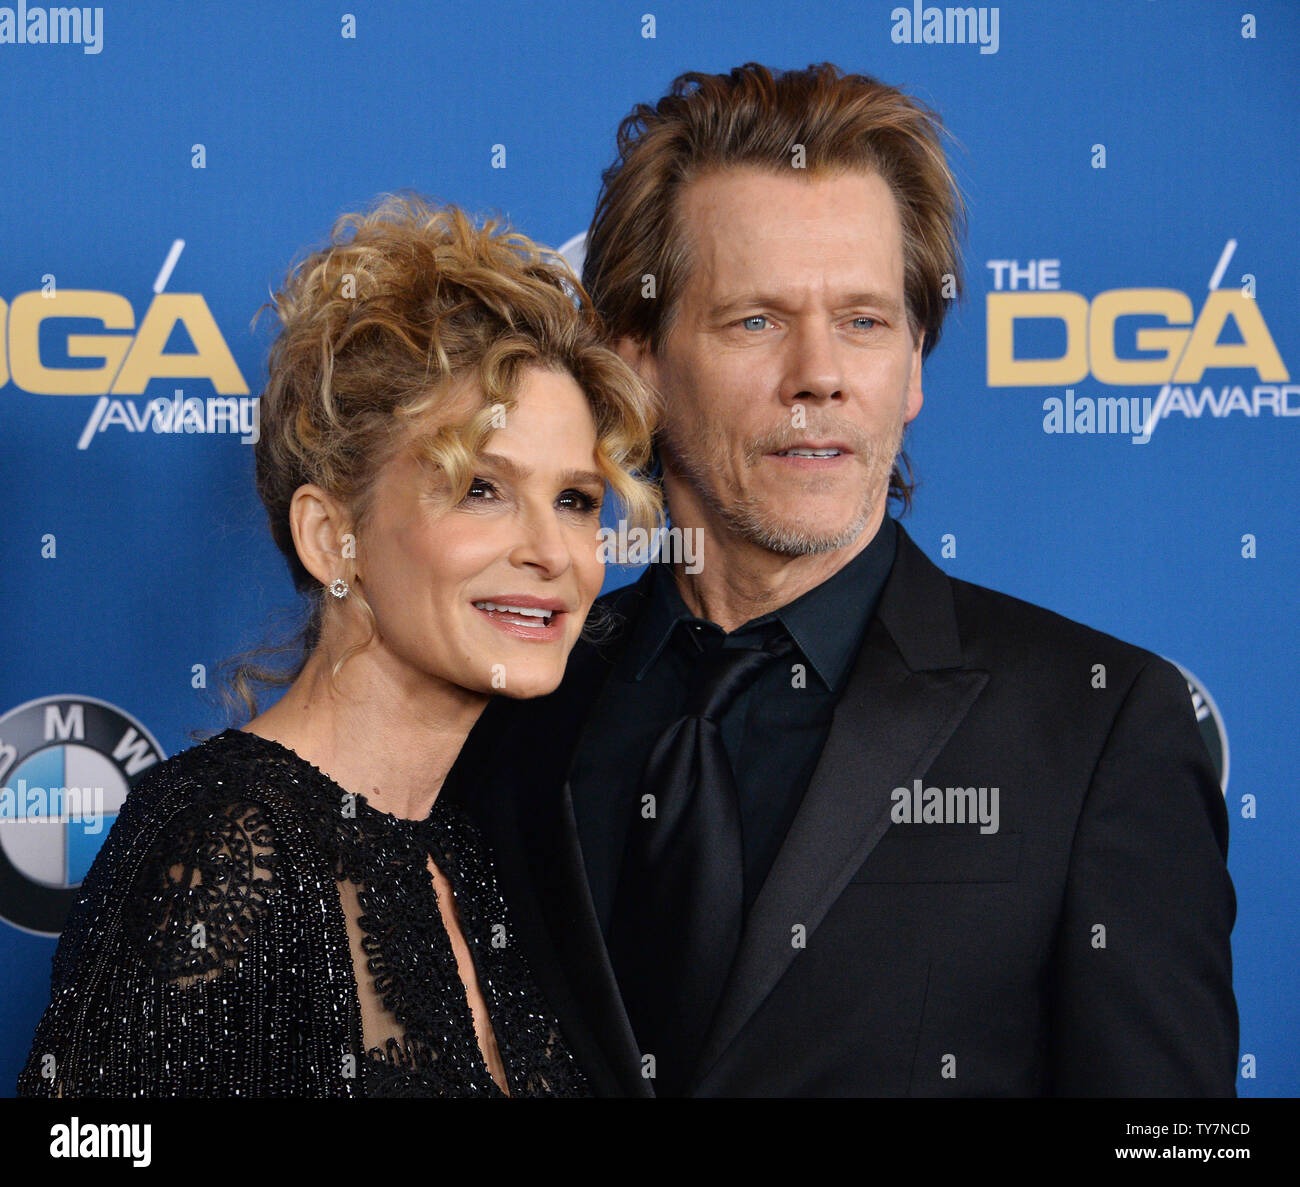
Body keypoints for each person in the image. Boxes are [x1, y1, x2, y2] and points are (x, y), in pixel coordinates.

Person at [445, 63, 1239, 1097]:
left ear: (912, 366)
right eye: (756, 321)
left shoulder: (1097, 729)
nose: (818, 373)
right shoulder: (511, 701)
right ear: (633, 360)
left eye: (864, 321)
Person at [16, 193, 661, 1097]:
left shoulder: (473, 848)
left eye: (576, 500)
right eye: (480, 488)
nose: (552, 553)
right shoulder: (224, 840)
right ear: (330, 537)